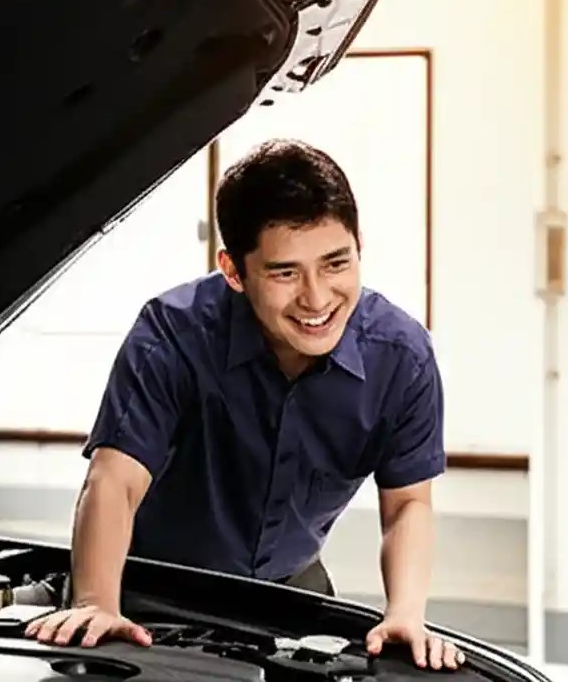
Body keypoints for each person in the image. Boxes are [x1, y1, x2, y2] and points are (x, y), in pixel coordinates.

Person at [24, 138, 464, 671]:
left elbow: (408, 505)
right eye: (285, 272)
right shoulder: (172, 335)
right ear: (234, 271)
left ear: (358, 247)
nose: (317, 297)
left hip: (292, 594)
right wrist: (96, 600)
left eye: (335, 264)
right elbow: (114, 480)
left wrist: (406, 612)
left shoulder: (403, 357)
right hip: (147, 590)